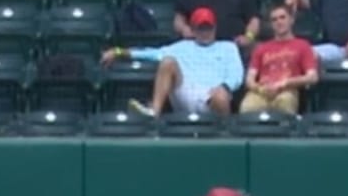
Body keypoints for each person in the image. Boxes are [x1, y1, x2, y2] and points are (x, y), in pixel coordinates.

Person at [100, 7, 244, 118]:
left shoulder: (228, 47)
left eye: (208, 27)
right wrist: (119, 52)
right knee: (168, 61)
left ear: (215, 28)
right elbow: (150, 53)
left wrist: (225, 86)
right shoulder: (181, 47)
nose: (205, 32)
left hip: (214, 94)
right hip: (187, 91)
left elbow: (237, 72)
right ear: (193, 29)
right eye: (201, 28)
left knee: (222, 96)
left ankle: (226, 131)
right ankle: (154, 112)